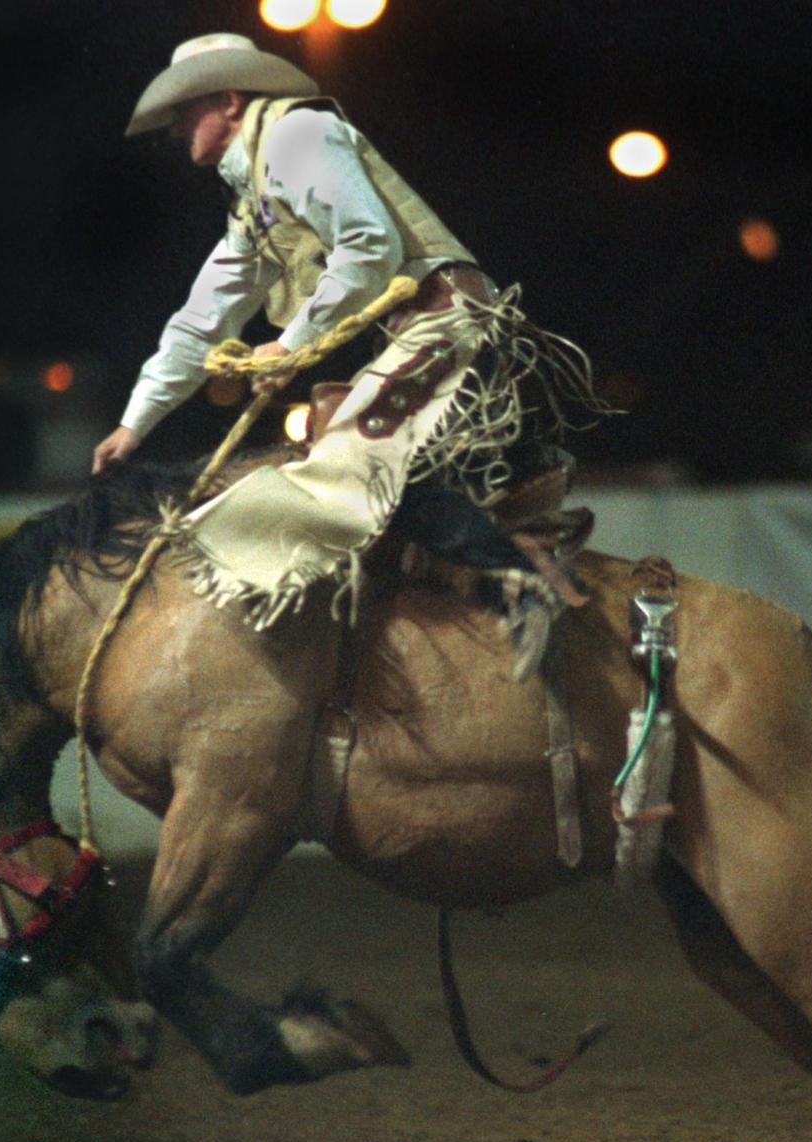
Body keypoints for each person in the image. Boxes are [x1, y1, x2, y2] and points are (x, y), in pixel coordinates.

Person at [94, 33, 598, 678]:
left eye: (182, 110)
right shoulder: (254, 202)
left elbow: (368, 244)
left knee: (358, 473)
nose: (174, 128)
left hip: (448, 320)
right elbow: (202, 321)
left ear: (227, 101)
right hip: (423, 331)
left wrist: (290, 345)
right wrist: (135, 423)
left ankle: (521, 581)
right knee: (353, 472)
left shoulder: (298, 138)